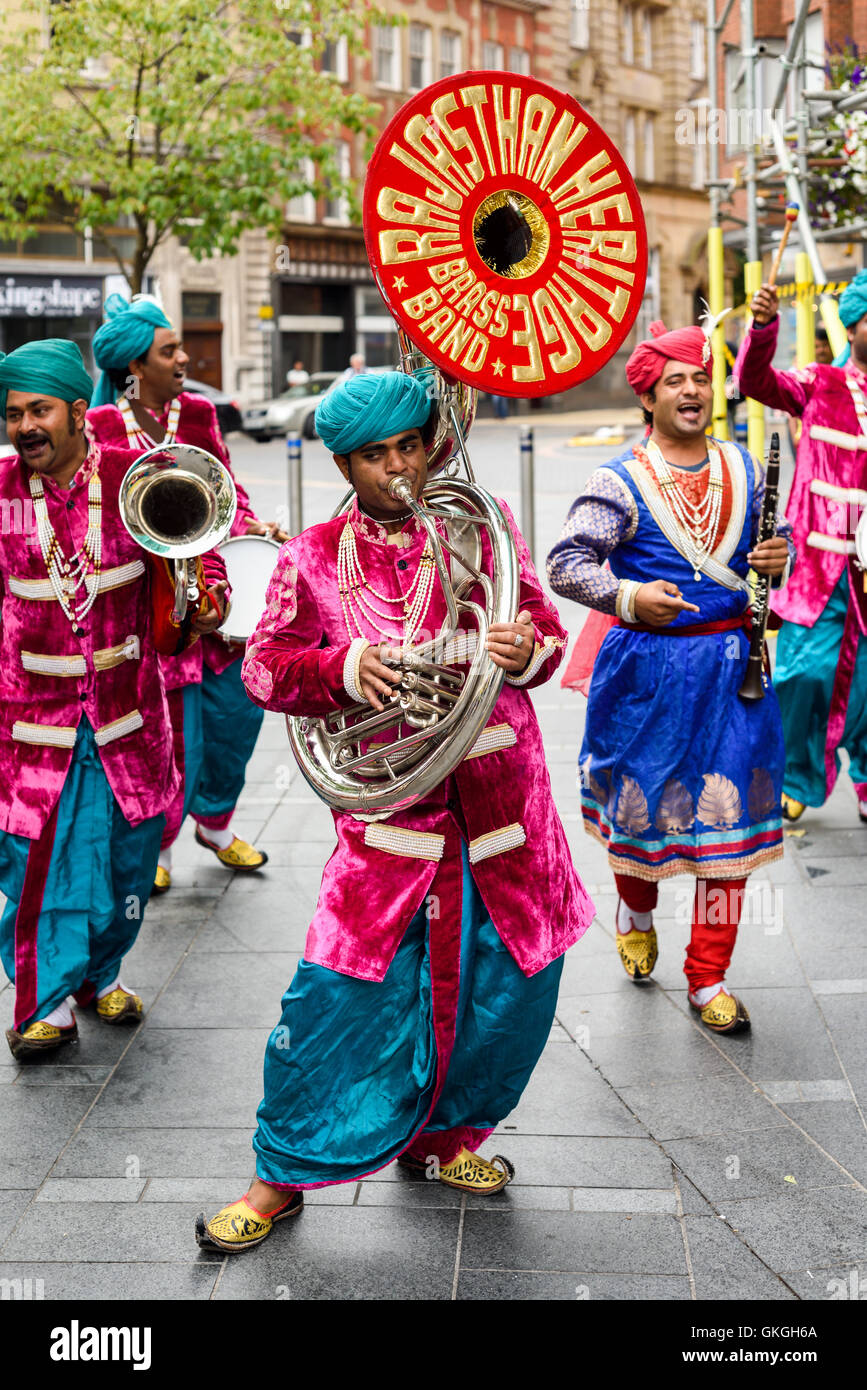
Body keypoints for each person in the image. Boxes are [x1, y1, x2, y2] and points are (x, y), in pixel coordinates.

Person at [195, 370, 594, 1251]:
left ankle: (448, 1142)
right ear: (344, 463)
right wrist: (340, 670)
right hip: (388, 826)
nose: (399, 468)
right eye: (375, 455)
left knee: (509, 1000)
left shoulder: (481, 534)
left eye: (410, 446)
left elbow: (546, 633)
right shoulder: (309, 555)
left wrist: (527, 649)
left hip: (503, 811)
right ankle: (280, 1175)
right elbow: (264, 669)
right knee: (334, 1003)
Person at [547, 320, 793, 1034]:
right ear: (647, 398)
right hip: (643, 676)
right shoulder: (616, 479)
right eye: (674, 381)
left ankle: (707, 974)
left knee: (729, 828)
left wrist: (775, 563)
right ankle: (635, 909)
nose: (691, 391)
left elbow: (766, 565)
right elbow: (567, 563)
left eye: (699, 378)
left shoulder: (745, 468)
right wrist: (628, 597)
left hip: (731, 673)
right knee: (639, 816)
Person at [0, 340, 227, 1059]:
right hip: (30, 727)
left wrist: (205, 595)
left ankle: (100, 976)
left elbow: (200, 549)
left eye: (39, 411)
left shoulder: (138, 479)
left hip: (130, 722)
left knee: (127, 866)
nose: (25, 427)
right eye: (12, 414)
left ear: (76, 411)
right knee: (46, 865)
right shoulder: (2, 495)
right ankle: (45, 997)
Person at [87, 294, 279, 890]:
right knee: (166, 731)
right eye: (168, 351)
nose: (183, 359)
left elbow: (226, 485)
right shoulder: (96, 427)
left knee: (234, 718)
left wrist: (248, 524)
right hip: (145, 604)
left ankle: (216, 825)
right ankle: (161, 845)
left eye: (179, 348)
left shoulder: (198, 413)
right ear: (133, 367)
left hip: (210, 591)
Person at [735, 272, 867, 822]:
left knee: (865, 683)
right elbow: (756, 381)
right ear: (855, 323)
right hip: (820, 571)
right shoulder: (820, 382)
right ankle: (796, 773)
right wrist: (761, 329)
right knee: (799, 677)